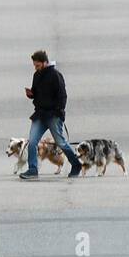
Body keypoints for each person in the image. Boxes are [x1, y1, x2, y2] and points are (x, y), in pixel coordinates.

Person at [19, 50, 82, 178]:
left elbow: (62, 95)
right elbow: (36, 93)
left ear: (45, 63)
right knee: (32, 141)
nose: (36, 68)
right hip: (40, 114)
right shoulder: (36, 75)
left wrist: (59, 112)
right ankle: (32, 169)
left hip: (53, 115)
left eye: (37, 65)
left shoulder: (55, 75)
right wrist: (31, 94)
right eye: (34, 65)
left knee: (61, 142)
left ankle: (76, 164)